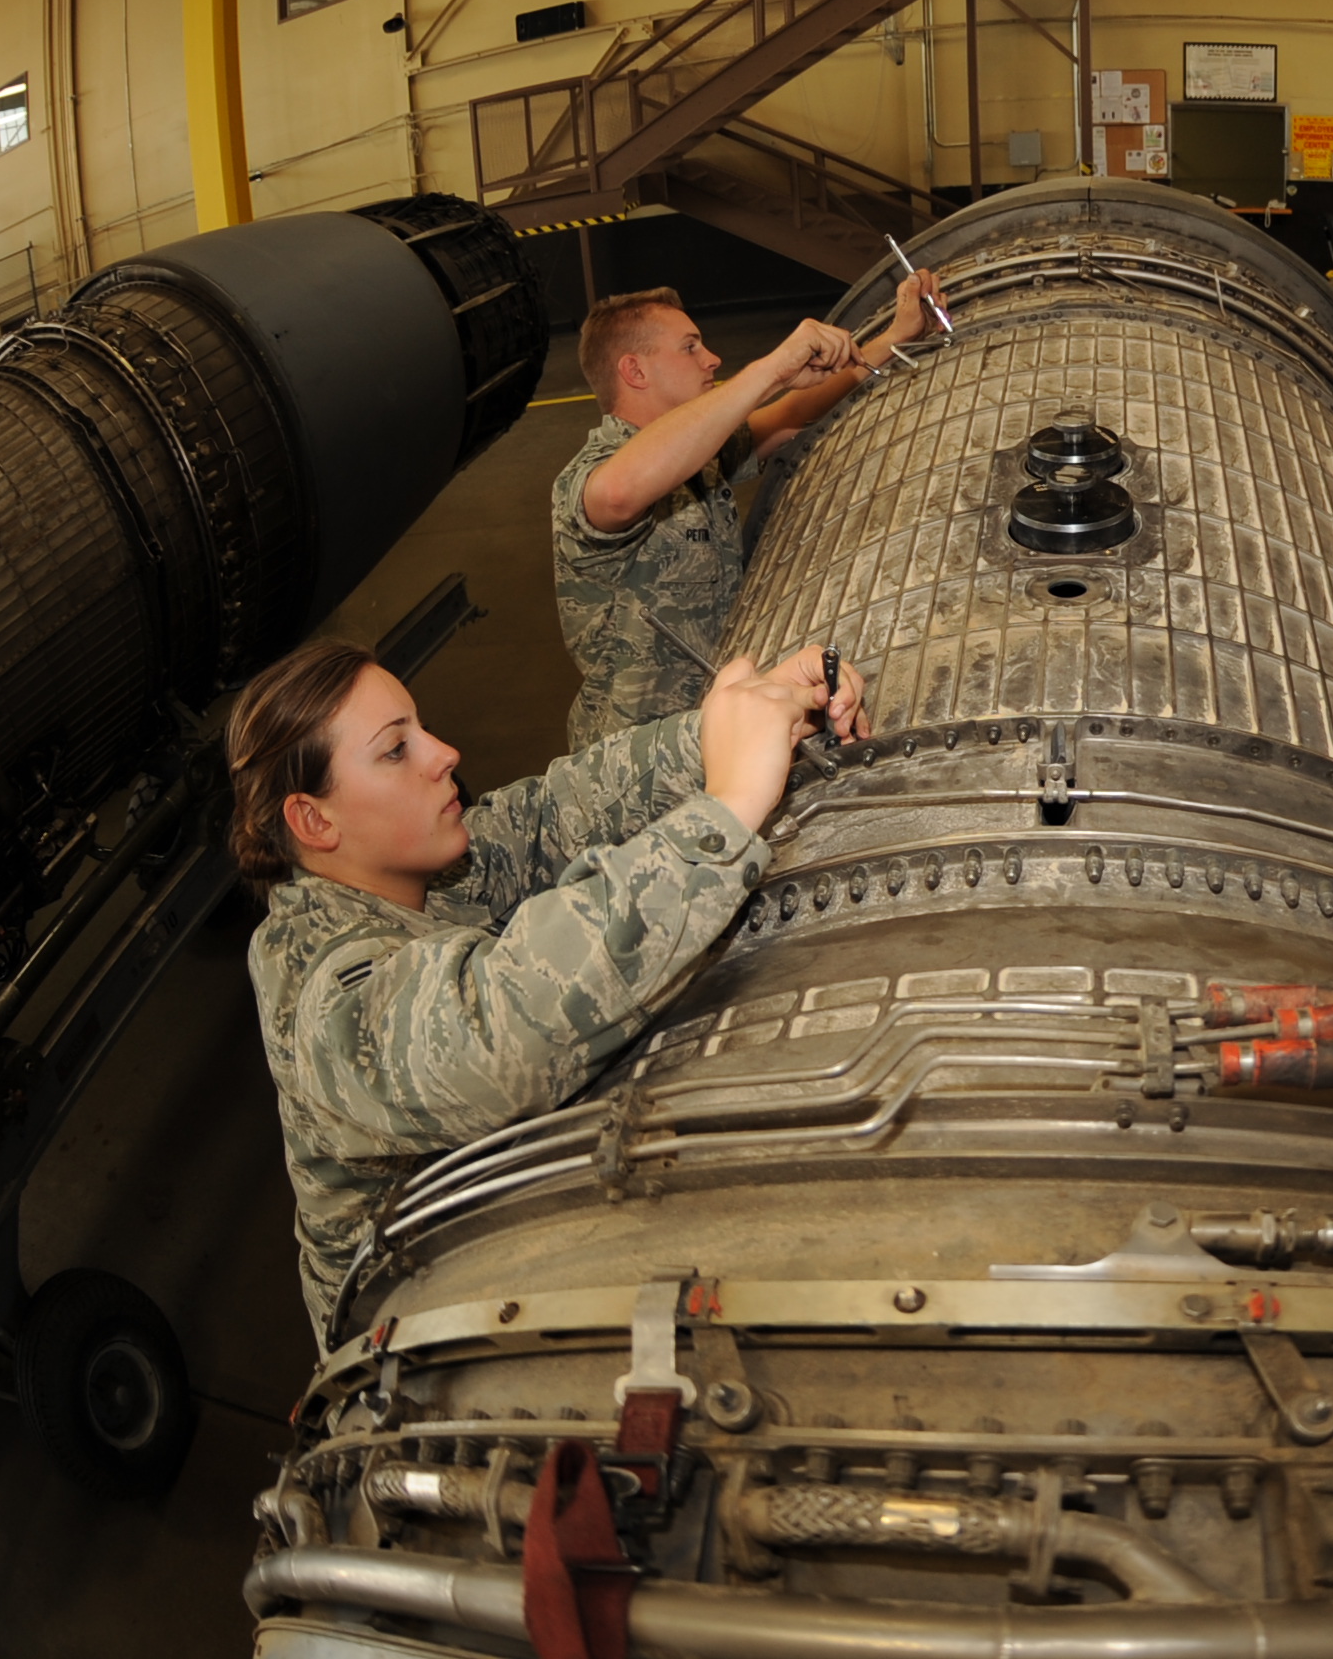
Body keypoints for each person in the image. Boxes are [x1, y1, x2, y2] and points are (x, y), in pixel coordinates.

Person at [229, 637, 868, 1337]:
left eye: (421, 729)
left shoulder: (416, 867)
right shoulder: (324, 997)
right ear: (315, 821)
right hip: (417, 1337)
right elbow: (494, 1033)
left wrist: (735, 726)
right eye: (395, 750)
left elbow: (553, 815)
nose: (444, 755)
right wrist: (730, 805)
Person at [553, 274, 945, 746]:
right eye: (690, 348)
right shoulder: (591, 476)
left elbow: (791, 415)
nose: (712, 358)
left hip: (711, 730)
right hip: (632, 757)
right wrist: (772, 369)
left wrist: (896, 337)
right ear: (635, 372)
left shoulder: (700, 456)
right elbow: (620, 493)